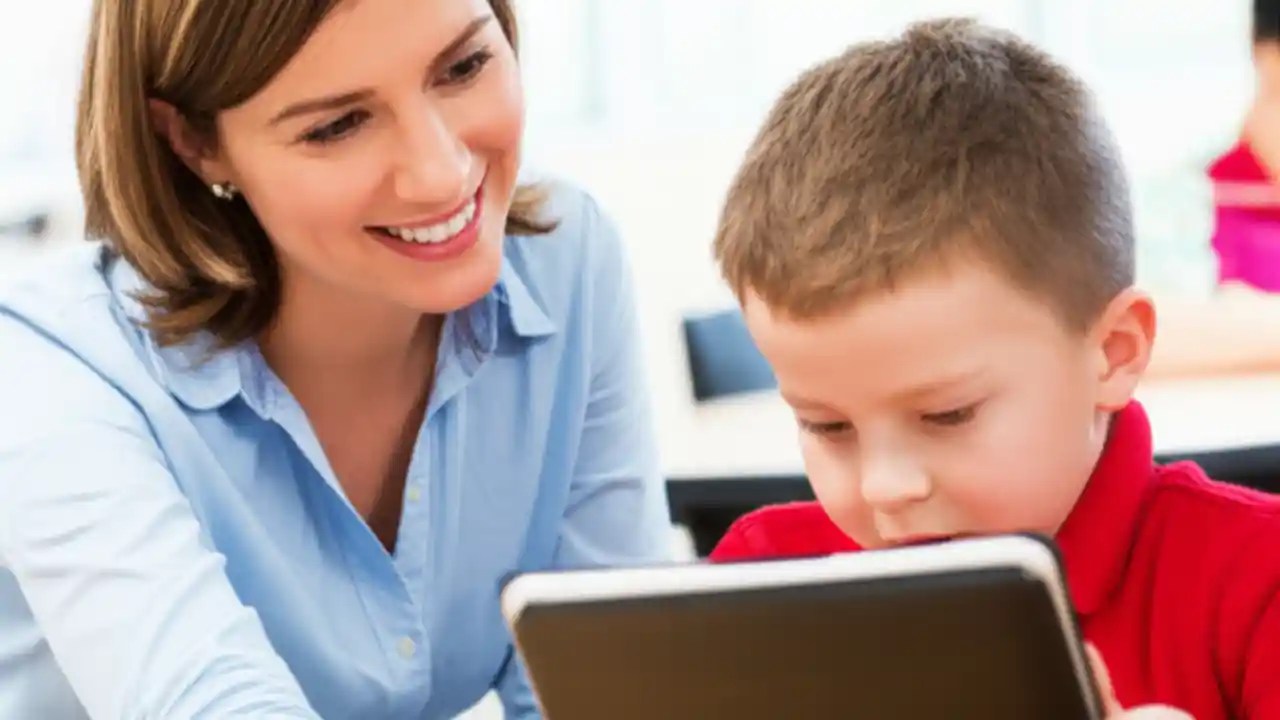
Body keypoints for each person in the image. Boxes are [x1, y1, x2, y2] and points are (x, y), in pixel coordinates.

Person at [0, 0, 670, 717]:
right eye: (337, 125)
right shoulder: (55, 364)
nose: (441, 174)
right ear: (193, 141)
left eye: (465, 66)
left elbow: (610, 685)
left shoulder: (565, 262)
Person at [708, 19, 1279, 720]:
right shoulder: (760, 580)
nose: (885, 487)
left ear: (1113, 352)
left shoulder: (1258, 582)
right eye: (826, 426)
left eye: (947, 414)